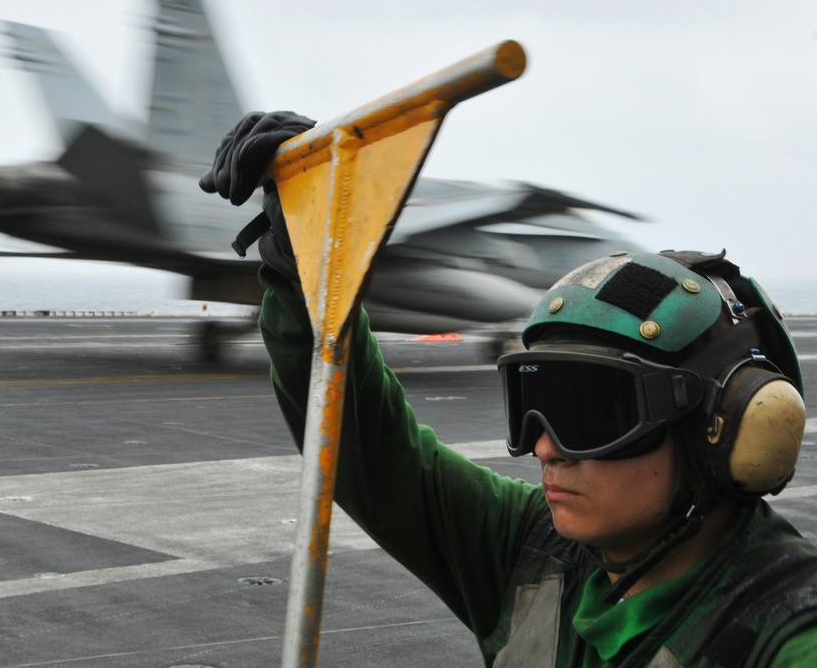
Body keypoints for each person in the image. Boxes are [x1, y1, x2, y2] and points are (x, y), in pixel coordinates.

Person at [200, 112, 817, 666]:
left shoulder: (788, 632)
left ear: (724, 431)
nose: (544, 447)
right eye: (534, 405)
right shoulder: (538, 552)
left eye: (588, 411)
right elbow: (371, 453)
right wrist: (308, 263)